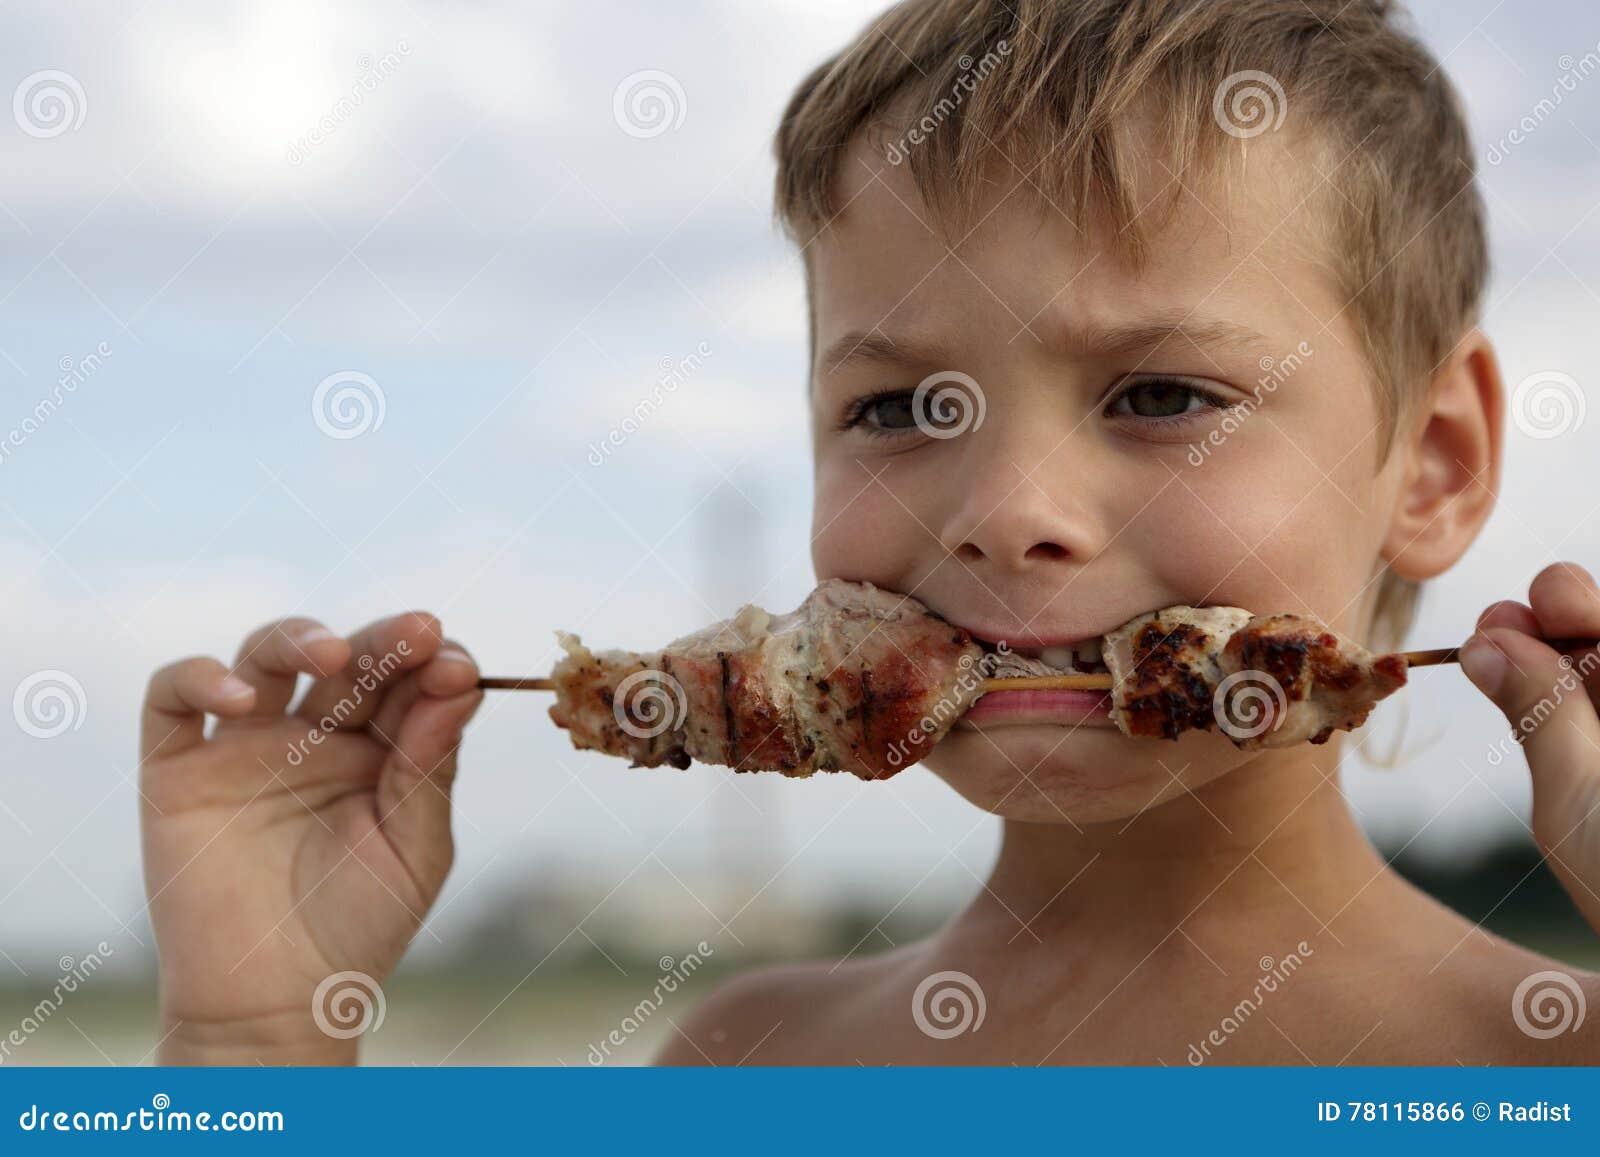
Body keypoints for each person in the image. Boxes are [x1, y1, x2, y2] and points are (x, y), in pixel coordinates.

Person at [140, 0, 1599, 1065]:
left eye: (1162, 393)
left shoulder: (1544, 1062)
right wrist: (255, 1034)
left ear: (1437, 460)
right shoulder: (749, 1063)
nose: (1008, 513)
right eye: (902, 408)